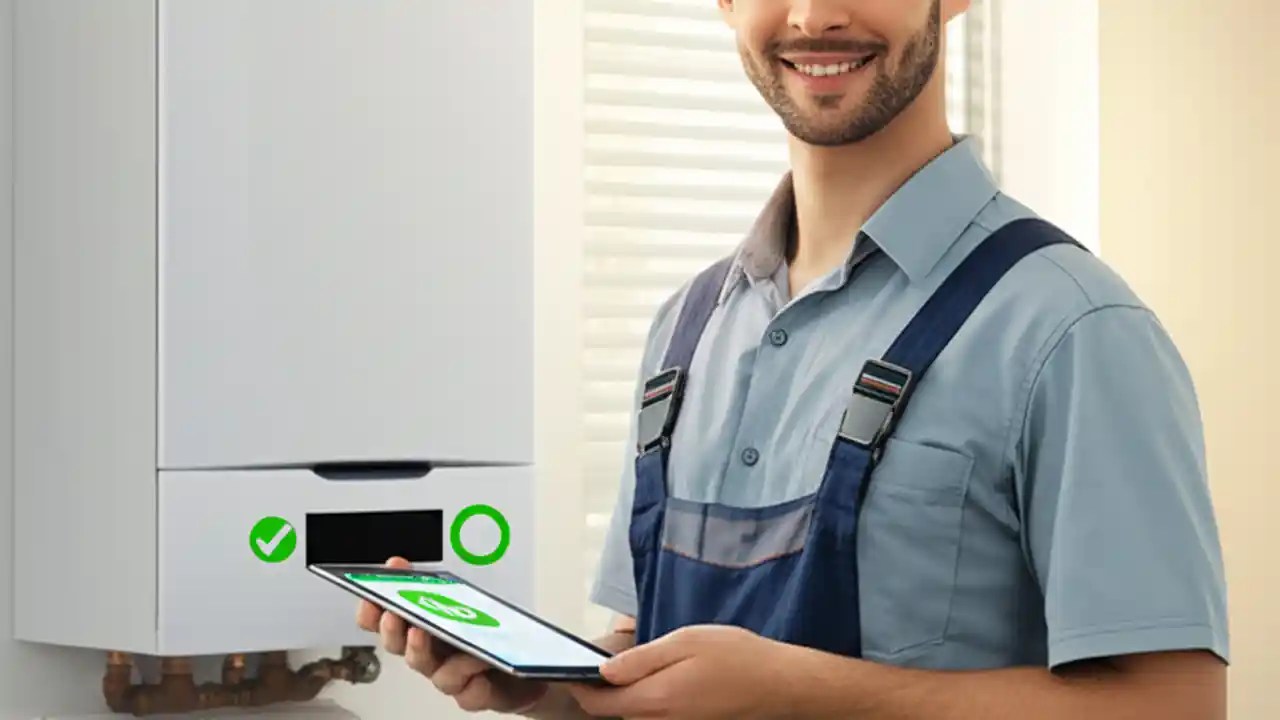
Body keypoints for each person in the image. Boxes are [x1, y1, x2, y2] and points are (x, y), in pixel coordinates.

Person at [358, 0, 1230, 717]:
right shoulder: (686, 328)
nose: (814, 17)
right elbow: (646, 651)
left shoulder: (1070, 328)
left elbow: (1176, 706)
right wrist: (552, 686)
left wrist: (808, 695)